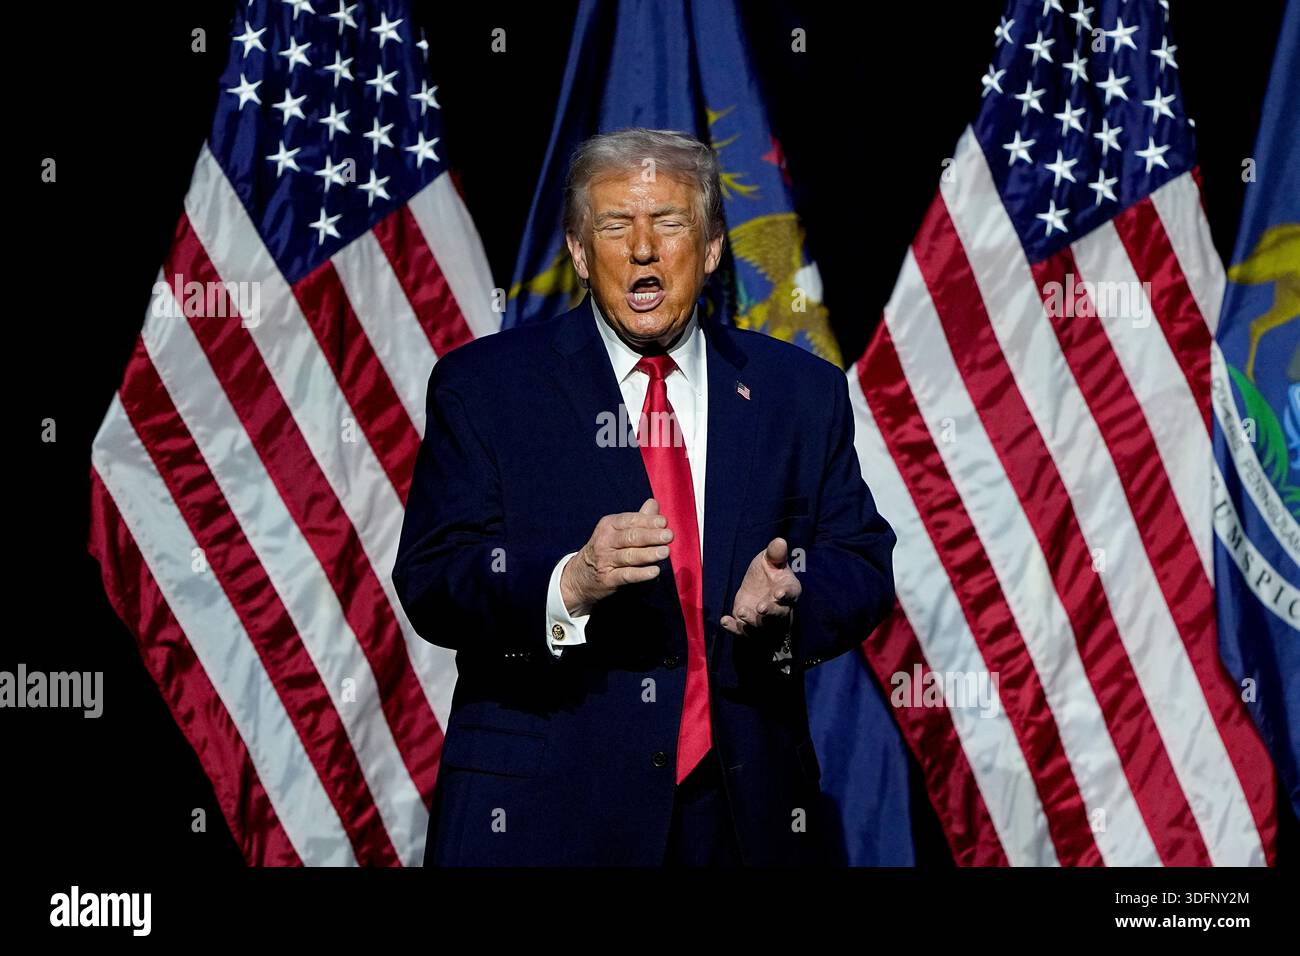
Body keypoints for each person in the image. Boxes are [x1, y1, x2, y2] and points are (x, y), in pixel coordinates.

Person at [393, 127, 896, 866]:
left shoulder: (800, 391)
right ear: (577, 250)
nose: (642, 249)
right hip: (547, 815)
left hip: (741, 820)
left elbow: (862, 559)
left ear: (714, 245)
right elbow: (433, 578)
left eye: (668, 222)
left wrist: (795, 597)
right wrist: (570, 581)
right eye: (614, 224)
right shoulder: (486, 388)